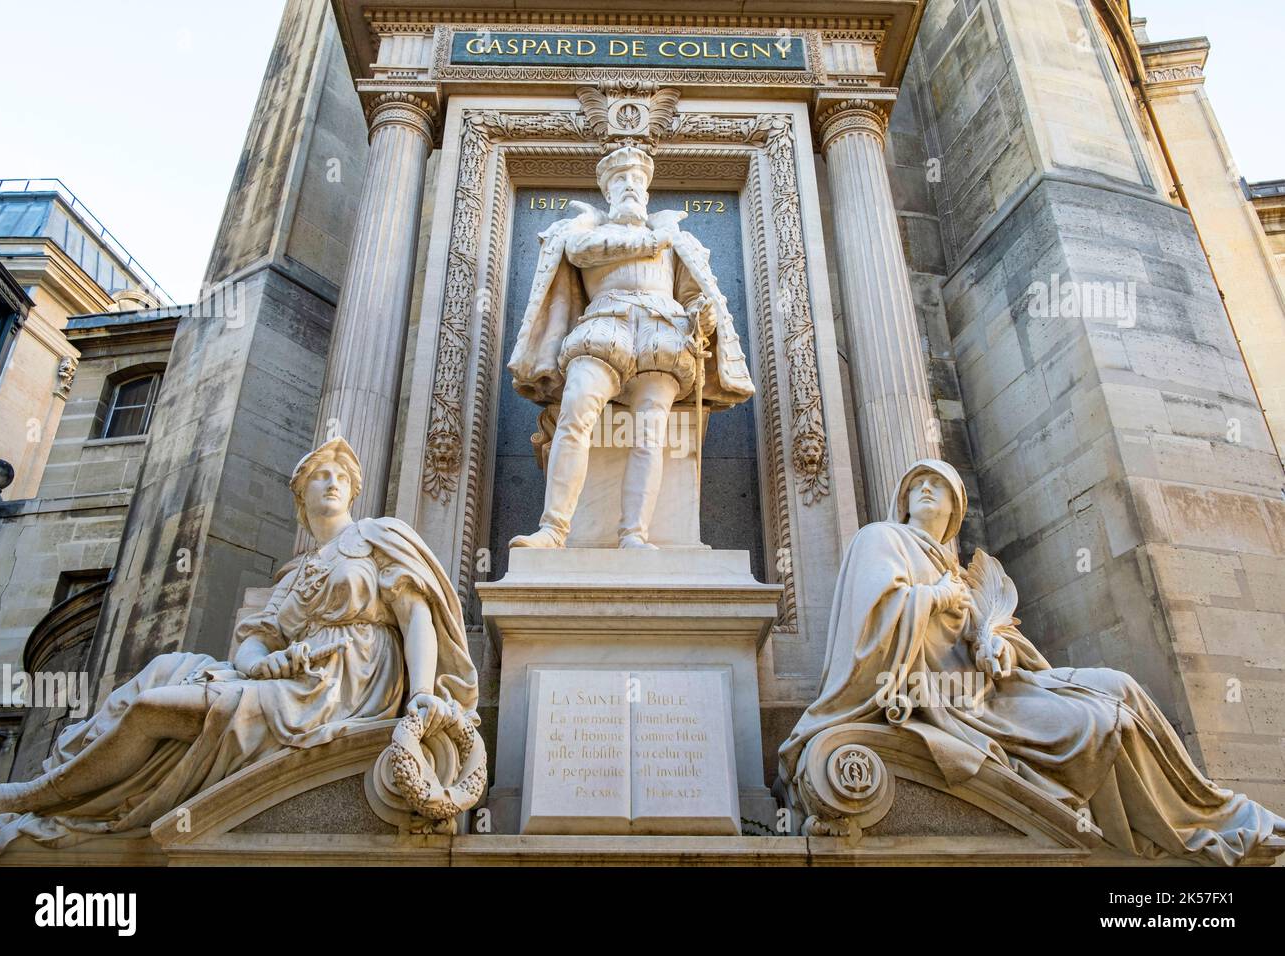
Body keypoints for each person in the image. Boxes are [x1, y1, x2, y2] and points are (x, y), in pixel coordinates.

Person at [0, 437, 477, 861]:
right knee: (168, 668)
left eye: (340, 478)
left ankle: (37, 795)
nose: (331, 484)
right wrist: (260, 662)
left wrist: (421, 695)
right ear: (301, 498)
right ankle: (63, 799)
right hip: (295, 681)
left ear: (353, 491)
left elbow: (417, 617)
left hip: (353, 684)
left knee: (154, 708)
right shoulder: (297, 573)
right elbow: (257, 640)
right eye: (319, 477)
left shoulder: (377, 537)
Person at [779, 458, 1285, 865]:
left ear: (955, 510)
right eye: (919, 484)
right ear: (903, 498)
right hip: (939, 701)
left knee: (1120, 684)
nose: (927, 489)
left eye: (940, 485)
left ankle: (1218, 811)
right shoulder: (881, 539)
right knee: (1103, 721)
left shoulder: (953, 567)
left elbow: (992, 638)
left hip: (992, 690)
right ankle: (1168, 838)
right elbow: (872, 624)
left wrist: (995, 646)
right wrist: (934, 597)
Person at [506, 144, 753, 549]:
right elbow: (580, 253)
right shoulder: (588, 234)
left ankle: (634, 534)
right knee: (575, 414)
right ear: (607, 191)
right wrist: (653, 241)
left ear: (648, 190)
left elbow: (692, 293)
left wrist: (701, 315)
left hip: (663, 336)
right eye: (620, 180)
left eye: (637, 180)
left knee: (651, 434)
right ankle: (553, 530)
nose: (630, 187)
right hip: (604, 327)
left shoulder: (677, 241)